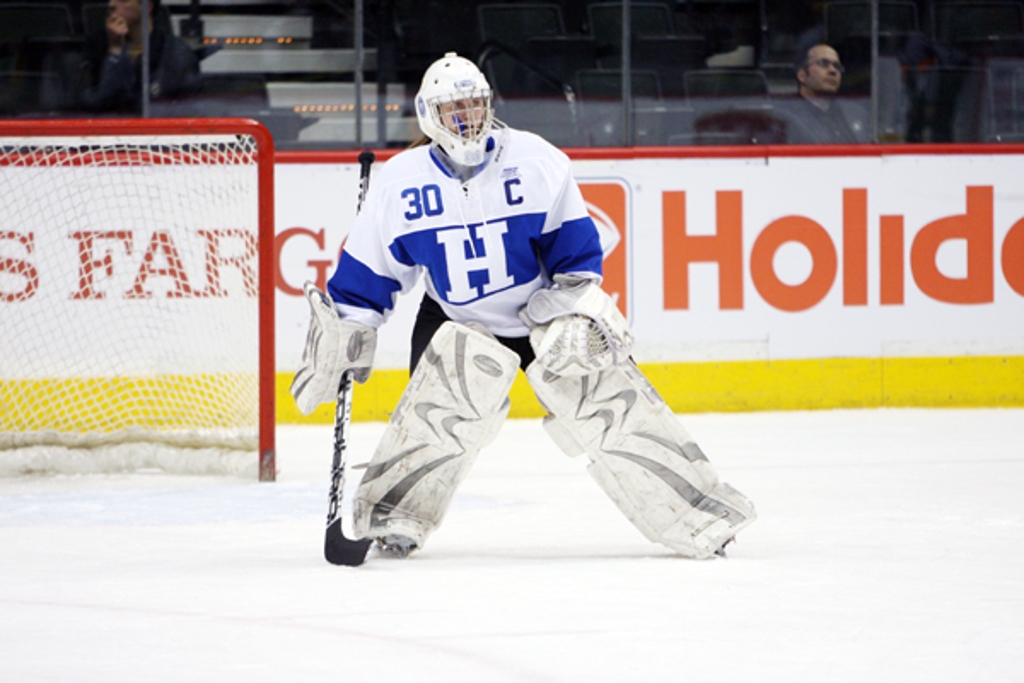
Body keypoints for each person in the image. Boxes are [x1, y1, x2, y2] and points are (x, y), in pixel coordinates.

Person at [291, 52, 756, 562]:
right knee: (438, 408)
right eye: (454, 108)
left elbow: (577, 261)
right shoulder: (400, 182)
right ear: (429, 115)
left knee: (606, 398)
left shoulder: (535, 160)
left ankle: (696, 511)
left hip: (539, 312)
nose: (467, 116)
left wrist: (571, 315)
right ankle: (394, 516)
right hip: (454, 316)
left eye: (475, 104)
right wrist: (347, 333)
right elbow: (367, 279)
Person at [80, 0, 200, 113]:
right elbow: (91, 103)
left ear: (147, 6)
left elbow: (183, 108)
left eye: (123, 0)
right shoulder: (97, 47)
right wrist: (115, 51)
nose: (111, 4)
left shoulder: (175, 53)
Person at [784, 43, 860, 144]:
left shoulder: (851, 114)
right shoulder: (785, 116)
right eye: (823, 63)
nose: (833, 71)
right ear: (802, 75)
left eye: (837, 66)